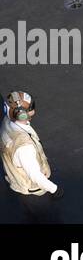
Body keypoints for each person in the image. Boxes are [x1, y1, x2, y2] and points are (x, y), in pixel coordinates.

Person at [2, 91, 62, 222]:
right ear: (21, 114)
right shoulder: (24, 147)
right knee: (45, 217)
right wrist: (55, 189)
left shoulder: (7, 123)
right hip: (33, 191)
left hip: (15, 178)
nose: (33, 110)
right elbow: (35, 176)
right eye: (30, 108)